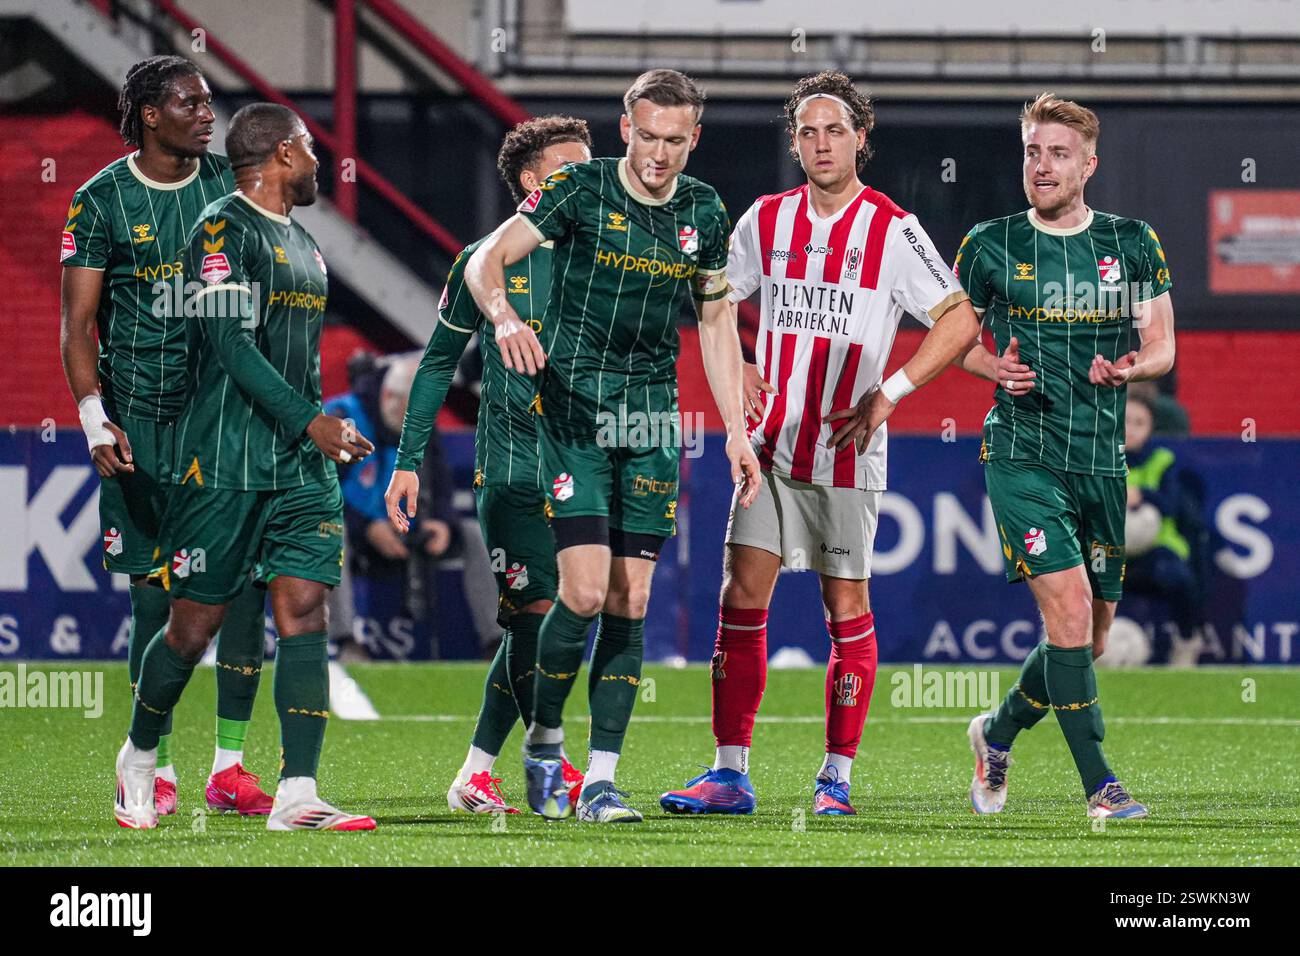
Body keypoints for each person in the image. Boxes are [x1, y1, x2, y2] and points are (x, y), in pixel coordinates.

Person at [660, 71, 981, 817]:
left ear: (862, 138)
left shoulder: (892, 229)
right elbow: (714, 298)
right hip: (770, 449)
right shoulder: (763, 220)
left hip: (845, 449)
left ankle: (835, 779)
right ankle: (729, 774)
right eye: (807, 131)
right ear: (795, 141)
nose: (821, 143)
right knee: (739, 599)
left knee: (845, 610)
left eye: (835, 129)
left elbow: (958, 319)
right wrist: (738, 359)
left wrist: (891, 392)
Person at [464, 70, 760, 823]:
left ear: (694, 138)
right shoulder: (580, 190)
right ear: (626, 128)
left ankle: (599, 780)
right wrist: (503, 317)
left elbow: (718, 326)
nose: (659, 155)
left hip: (653, 423)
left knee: (632, 602)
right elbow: (483, 261)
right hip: (575, 414)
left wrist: (736, 430)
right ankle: (543, 741)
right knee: (586, 592)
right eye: (647, 136)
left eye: (675, 141)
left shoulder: (704, 209)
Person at [112, 102, 377, 831]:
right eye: (312, 149)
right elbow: (229, 345)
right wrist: (312, 420)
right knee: (192, 629)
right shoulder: (221, 228)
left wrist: (318, 429)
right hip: (224, 462)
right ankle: (139, 753)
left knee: (303, 611)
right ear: (285, 154)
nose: (322, 162)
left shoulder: (308, 244)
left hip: (296, 466)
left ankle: (298, 792)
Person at [951, 93, 1175, 820]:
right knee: (1071, 613)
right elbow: (953, 341)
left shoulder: (1132, 241)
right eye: (1031, 152)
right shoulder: (989, 243)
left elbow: (1163, 346)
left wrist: (1130, 369)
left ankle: (997, 732)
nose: (1041, 166)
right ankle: (1101, 786)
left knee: (1094, 635)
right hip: (1021, 453)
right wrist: (992, 369)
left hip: (1102, 464)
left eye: (1056, 153)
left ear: (1088, 163)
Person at [60, 55, 271, 819]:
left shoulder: (232, 187)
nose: (209, 114)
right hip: (141, 419)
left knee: (242, 586)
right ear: (150, 113)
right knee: (156, 592)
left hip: (226, 421)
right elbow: (77, 326)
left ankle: (231, 766)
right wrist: (92, 415)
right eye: (191, 102)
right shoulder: (102, 201)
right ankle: (152, 759)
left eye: (210, 101)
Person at [386, 115, 594, 814]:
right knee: (536, 618)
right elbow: (436, 362)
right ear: (533, 184)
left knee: (557, 624)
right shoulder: (484, 260)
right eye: (573, 168)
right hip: (514, 470)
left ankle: (476, 771)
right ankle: (553, 760)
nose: (592, 178)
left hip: (591, 469)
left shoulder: (607, 250)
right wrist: (409, 459)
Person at [1122, 387, 1203, 663]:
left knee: (1179, 578)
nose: (1130, 429)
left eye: (1139, 423)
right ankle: (1066, 650)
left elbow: (1170, 504)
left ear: (1150, 428)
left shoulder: (1163, 460)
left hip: (1156, 552)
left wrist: (1141, 494)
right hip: (1108, 552)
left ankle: (1187, 642)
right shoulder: (1098, 460)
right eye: (1125, 421)